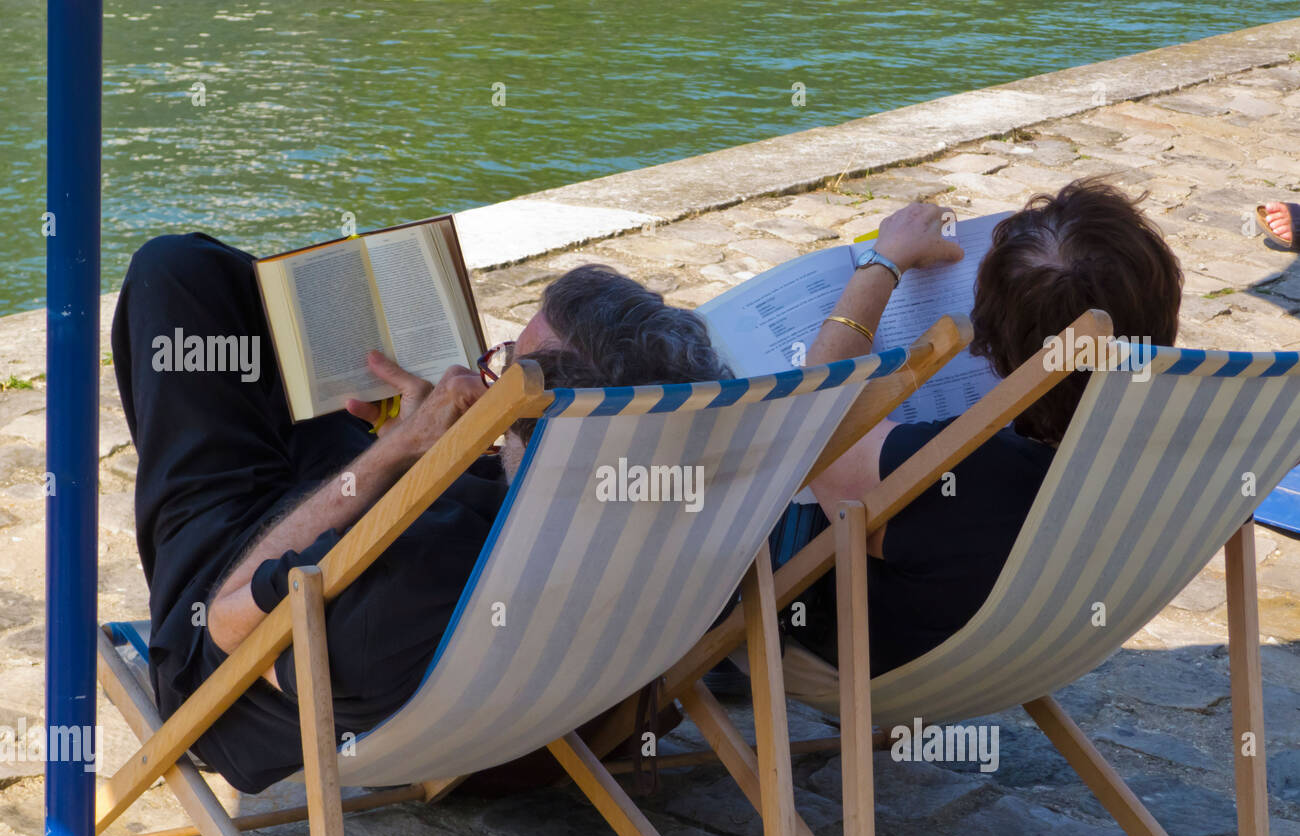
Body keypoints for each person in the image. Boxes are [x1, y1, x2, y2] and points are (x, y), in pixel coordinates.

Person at [111, 235, 726, 793]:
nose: (488, 376)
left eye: (508, 366)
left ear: (540, 421)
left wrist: (399, 449)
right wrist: (416, 451)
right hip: (422, 546)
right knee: (225, 285)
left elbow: (225, 619)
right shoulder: (662, 508)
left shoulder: (407, 598)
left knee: (171, 278)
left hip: (219, 651)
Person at [776, 178, 1184, 701]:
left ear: (992, 345)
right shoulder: (1204, 445)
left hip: (881, 665)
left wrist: (883, 264)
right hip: (1036, 657)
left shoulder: (955, 472)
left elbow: (814, 421)